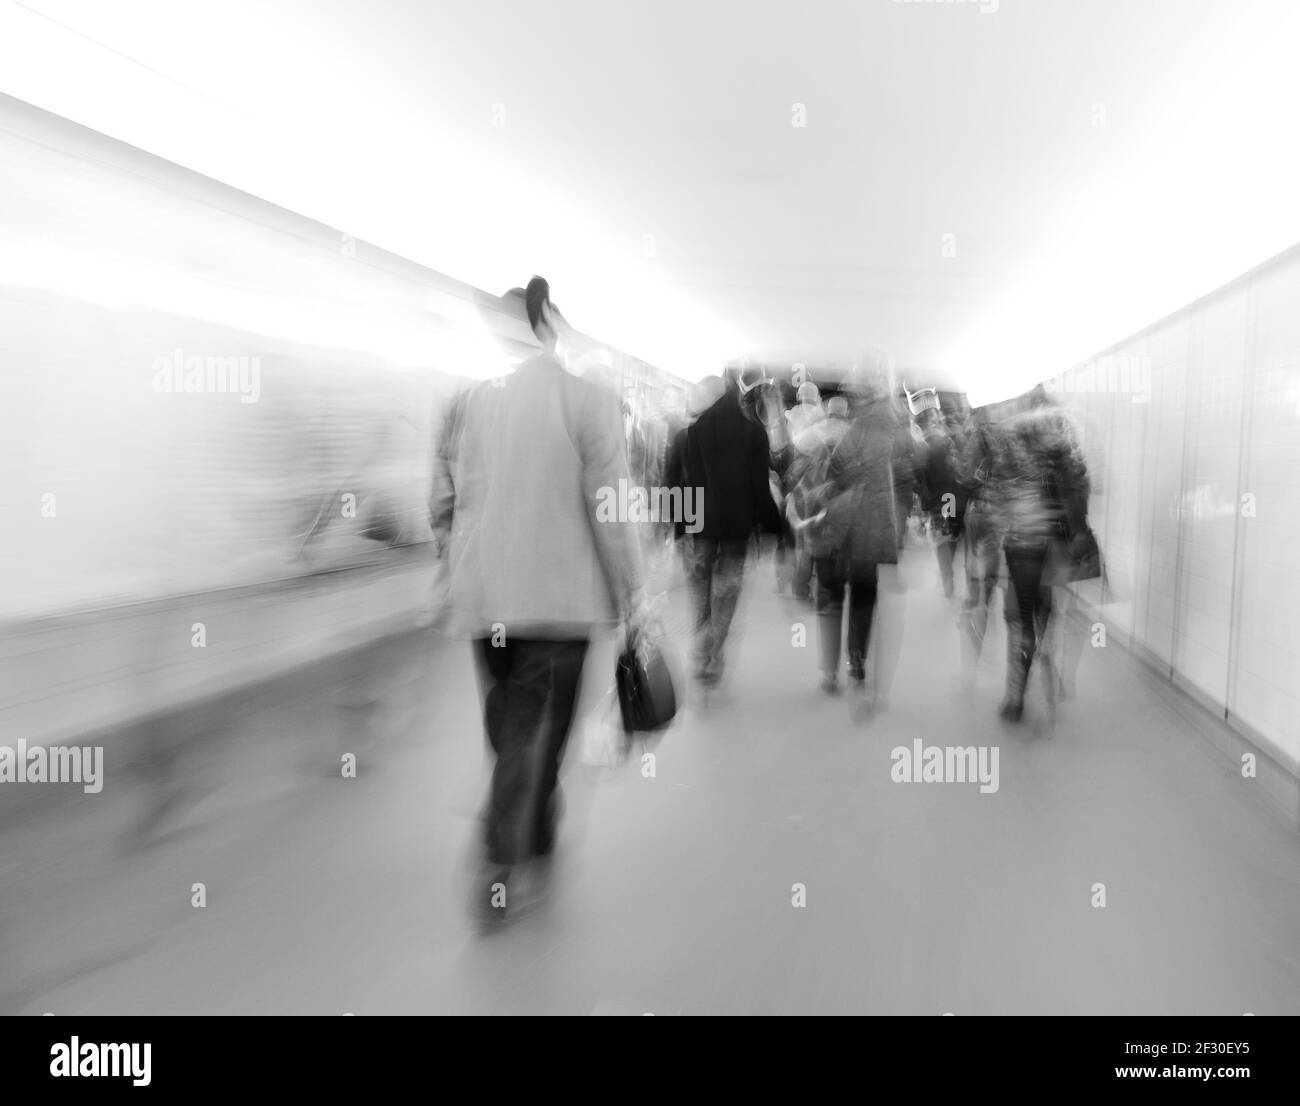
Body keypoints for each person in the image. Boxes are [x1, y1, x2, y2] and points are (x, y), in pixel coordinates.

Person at [430, 276, 646, 927]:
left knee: (510, 723)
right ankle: (501, 858)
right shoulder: (589, 400)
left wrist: (458, 564)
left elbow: (441, 504)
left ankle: (536, 826)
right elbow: (611, 511)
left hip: (484, 600)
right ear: (550, 323)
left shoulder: (466, 402)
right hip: (559, 598)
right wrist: (634, 594)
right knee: (535, 727)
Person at [664, 365, 782, 689]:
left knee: (700, 595)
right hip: (735, 532)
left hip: (697, 530)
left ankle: (702, 649)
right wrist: (773, 528)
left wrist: (678, 530)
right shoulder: (753, 433)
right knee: (727, 594)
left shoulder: (685, 436)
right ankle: (714, 652)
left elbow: (673, 487)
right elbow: (760, 487)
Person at [986, 386, 1090, 722]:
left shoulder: (1010, 435)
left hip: (1023, 540)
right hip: (1058, 542)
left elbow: (1000, 493)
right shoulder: (1065, 430)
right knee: (1048, 609)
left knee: (1019, 614)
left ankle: (1016, 695)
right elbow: (1082, 484)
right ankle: (1048, 659)